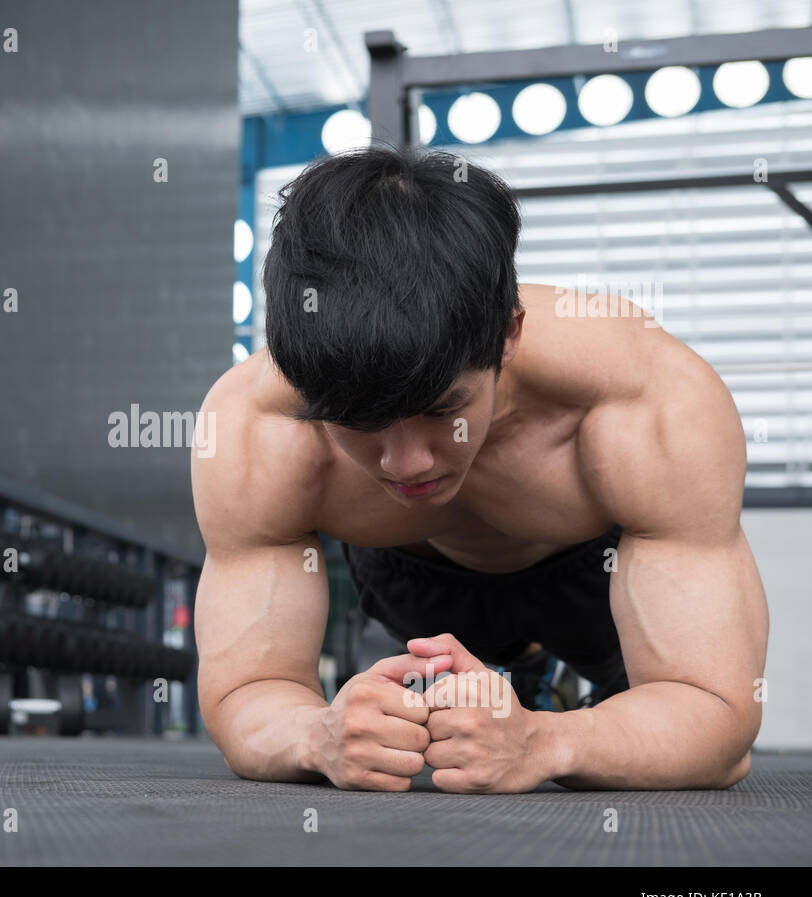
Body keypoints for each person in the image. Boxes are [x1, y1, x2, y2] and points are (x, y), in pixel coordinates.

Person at [190, 147, 768, 793]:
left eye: (444, 409)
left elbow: (718, 725)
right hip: (411, 580)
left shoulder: (643, 398)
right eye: (357, 422)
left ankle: (548, 683)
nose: (406, 464)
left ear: (508, 335)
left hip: (590, 579)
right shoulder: (255, 426)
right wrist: (312, 733)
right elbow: (245, 691)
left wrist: (549, 742)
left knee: (623, 732)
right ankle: (523, 669)